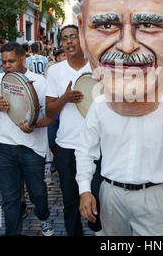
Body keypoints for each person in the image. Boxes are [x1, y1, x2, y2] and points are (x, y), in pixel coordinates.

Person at [75, 0, 163, 236]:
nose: (127, 46)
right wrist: (84, 191)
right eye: (105, 25)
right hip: (110, 195)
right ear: (82, 33)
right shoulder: (99, 108)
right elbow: (85, 151)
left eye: (149, 24)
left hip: (153, 197)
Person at [0, 42, 55, 236]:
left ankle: (43, 216)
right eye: (4, 62)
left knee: (37, 193)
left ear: (23, 59)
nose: (6, 65)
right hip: (4, 147)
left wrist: (33, 125)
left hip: (32, 148)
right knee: (10, 199)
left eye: (11, 61)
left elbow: (50, 117)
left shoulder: (39, 81)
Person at [45, 24, 94, 236]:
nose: (69, 41)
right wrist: (64, 98)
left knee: (99, 198)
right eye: (65, 38)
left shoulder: (97, 68)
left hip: (96, 145)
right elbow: (48, 110)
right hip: (66, 146)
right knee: (71, 202)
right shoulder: (55, 71)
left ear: (82, 39)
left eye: (73, 37)